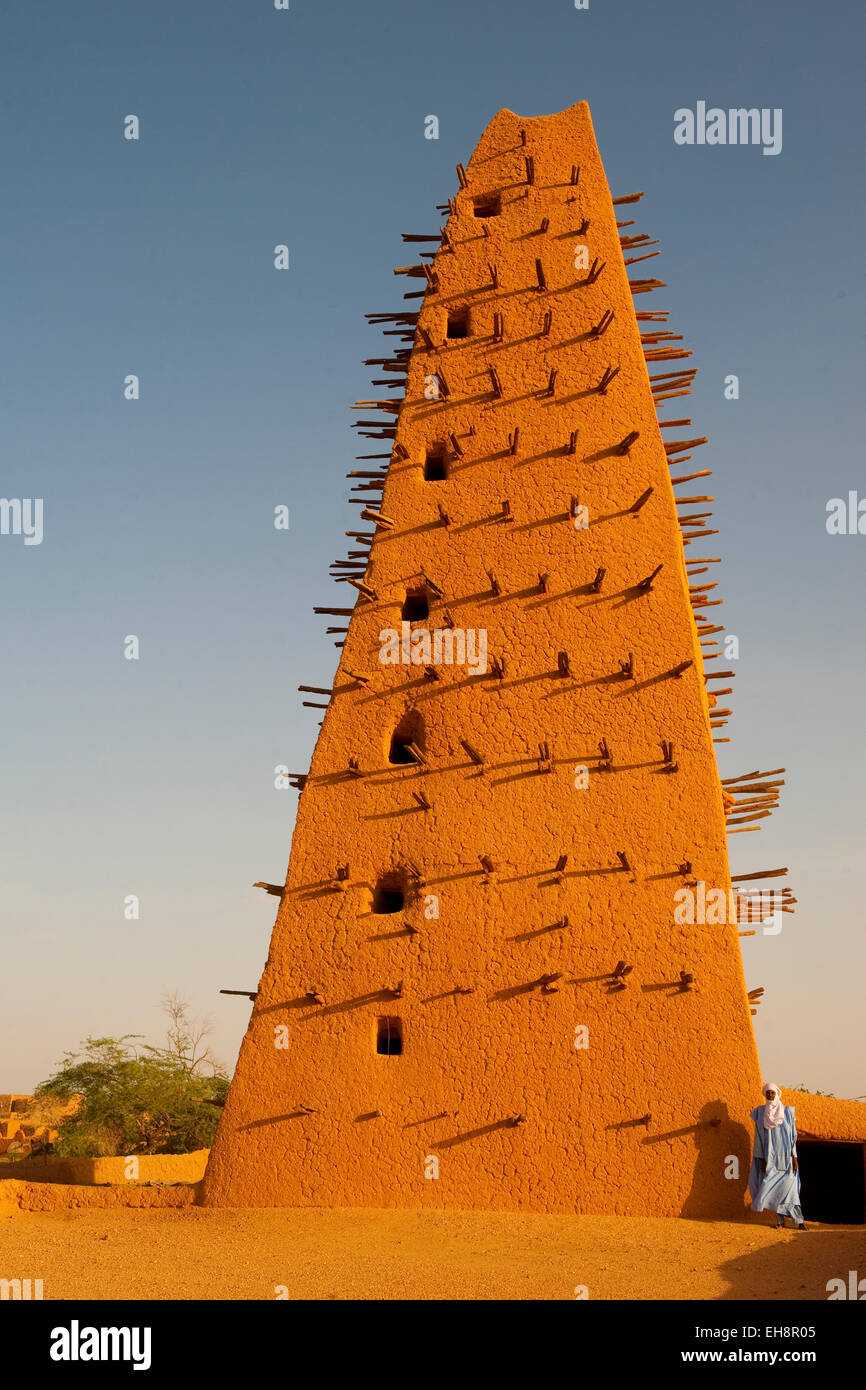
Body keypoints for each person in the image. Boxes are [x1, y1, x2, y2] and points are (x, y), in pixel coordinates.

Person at [748, 1083, 807, 1230]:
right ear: (764, 1095)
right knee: (774, 1191)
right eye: (768, 1093)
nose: (770, 1096)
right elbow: (759, 1138)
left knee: (790, 1191)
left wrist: (794, 1156)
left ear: (777, 1094)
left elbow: (793, 1136)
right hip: (770, 1160)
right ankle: (780, 1221)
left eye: (772, 1093)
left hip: (786, 1158)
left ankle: (799, 1221)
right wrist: (761, 1158)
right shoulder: (761, 1113)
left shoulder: (786, 1112)